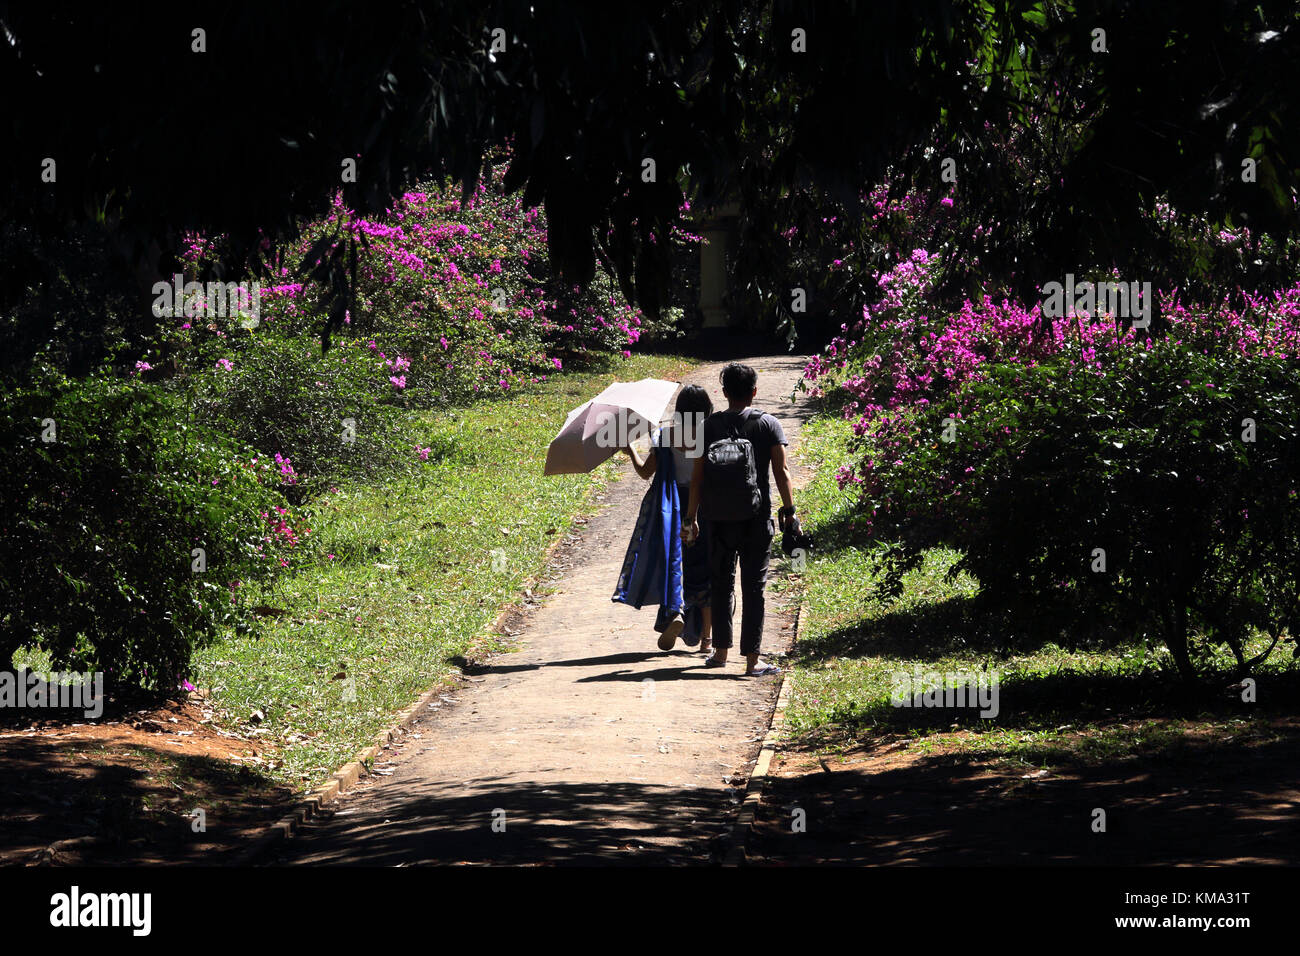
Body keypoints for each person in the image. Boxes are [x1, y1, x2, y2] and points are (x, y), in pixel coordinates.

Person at [683, 363, 795, 675]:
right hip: (755, 519)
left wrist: (691, 518)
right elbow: (781, 471)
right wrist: (789, 510)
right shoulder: (768, 424)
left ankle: (720, 653)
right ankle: (752, 660)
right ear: (754, 392)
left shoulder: (708, 426)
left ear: (723, 393)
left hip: (716, 519)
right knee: (754, 586)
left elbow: (697, 478)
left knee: (721, 584)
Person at [623, 385, 714, 653]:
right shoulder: (709, 435)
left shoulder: (665, 435)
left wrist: (630, 449)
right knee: (705, 569)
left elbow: (644, 472)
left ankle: (676, 615)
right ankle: (707, 642)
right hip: (703, 509)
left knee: (675, 564)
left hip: (673, 509)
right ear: (706, 409)